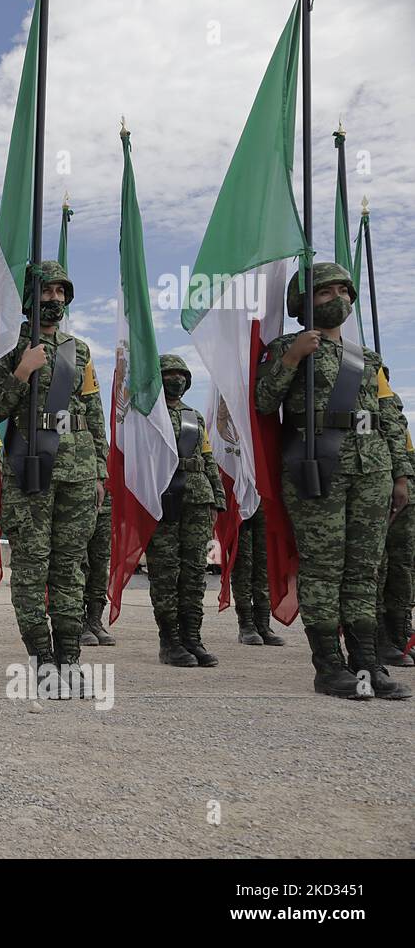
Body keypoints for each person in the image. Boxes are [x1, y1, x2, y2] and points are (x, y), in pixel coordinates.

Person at [255, 262, 410, 700]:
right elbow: (264, 403)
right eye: (325, 292)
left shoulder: (369, 359)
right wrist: (292, 358)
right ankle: (329, 668)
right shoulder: (287, 346)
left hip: (373, 467)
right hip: (316, 462)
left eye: (343, 290)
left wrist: (401, 473)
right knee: (324, 569)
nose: (336, 297)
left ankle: (367, 667)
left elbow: (391, 418)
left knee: (364, 570)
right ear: (303, 303)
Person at [0, 260, 107, 692]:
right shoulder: (7, 347)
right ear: (29, 299)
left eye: (60, 292)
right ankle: (41, 660)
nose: (53, 299)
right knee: (33, 568)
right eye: (46, 292)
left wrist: (100, 471)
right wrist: (22, 372)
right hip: (28, 465)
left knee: (70, 568)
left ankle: (70, 660)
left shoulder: (80, 352)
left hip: (77, 468)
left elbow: (93, 413)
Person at [146, 354, 225, 668]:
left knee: (193, 574)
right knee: (166, 573)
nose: (175, 378)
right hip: (164, 497)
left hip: (197, 497)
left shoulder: (195, 418)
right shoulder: (148, 415)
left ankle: (193, 638)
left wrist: (217, 500)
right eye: (169, 373)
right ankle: (170, 642)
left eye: (181, 374)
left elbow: (208, 461)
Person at [375, 374, 415, 668]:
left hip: (404, 481)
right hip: (377, 481)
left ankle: (399, 635)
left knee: (402, 568)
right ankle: (378, 639)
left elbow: (403, 444)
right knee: (378, 568)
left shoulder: (391, 406)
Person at [231, 507, 282, 646]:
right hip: (240, 500)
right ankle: (246, 624)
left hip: (263, 500)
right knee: (243, 562)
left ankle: (263, 623)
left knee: (264, 562)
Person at [79, 479, 115, 646]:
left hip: (106, 496)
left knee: (100, 562)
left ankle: (94, 620)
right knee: (79, 563)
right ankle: (78, 622)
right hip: (79, 491)